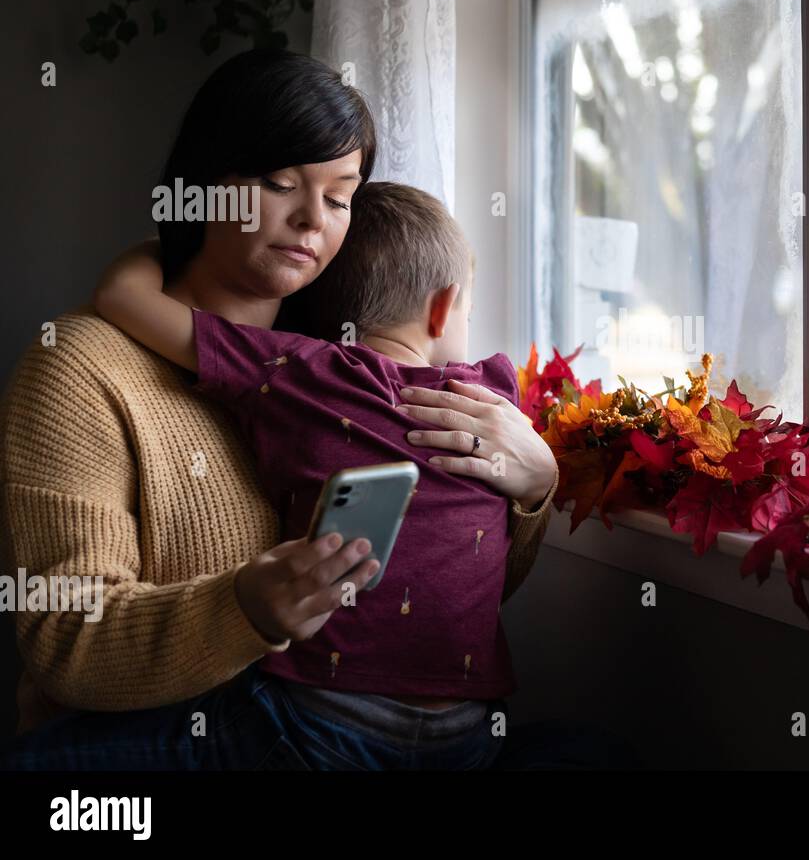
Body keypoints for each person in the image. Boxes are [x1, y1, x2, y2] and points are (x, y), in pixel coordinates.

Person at [0, 50, 588, 769]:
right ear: (204, 187)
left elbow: (434, 589)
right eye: (280, 185)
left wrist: (531, 486)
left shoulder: (344, 364)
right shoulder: (82, 369)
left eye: (340, 197)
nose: (312, 221)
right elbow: (65, 637)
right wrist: (242, 609)